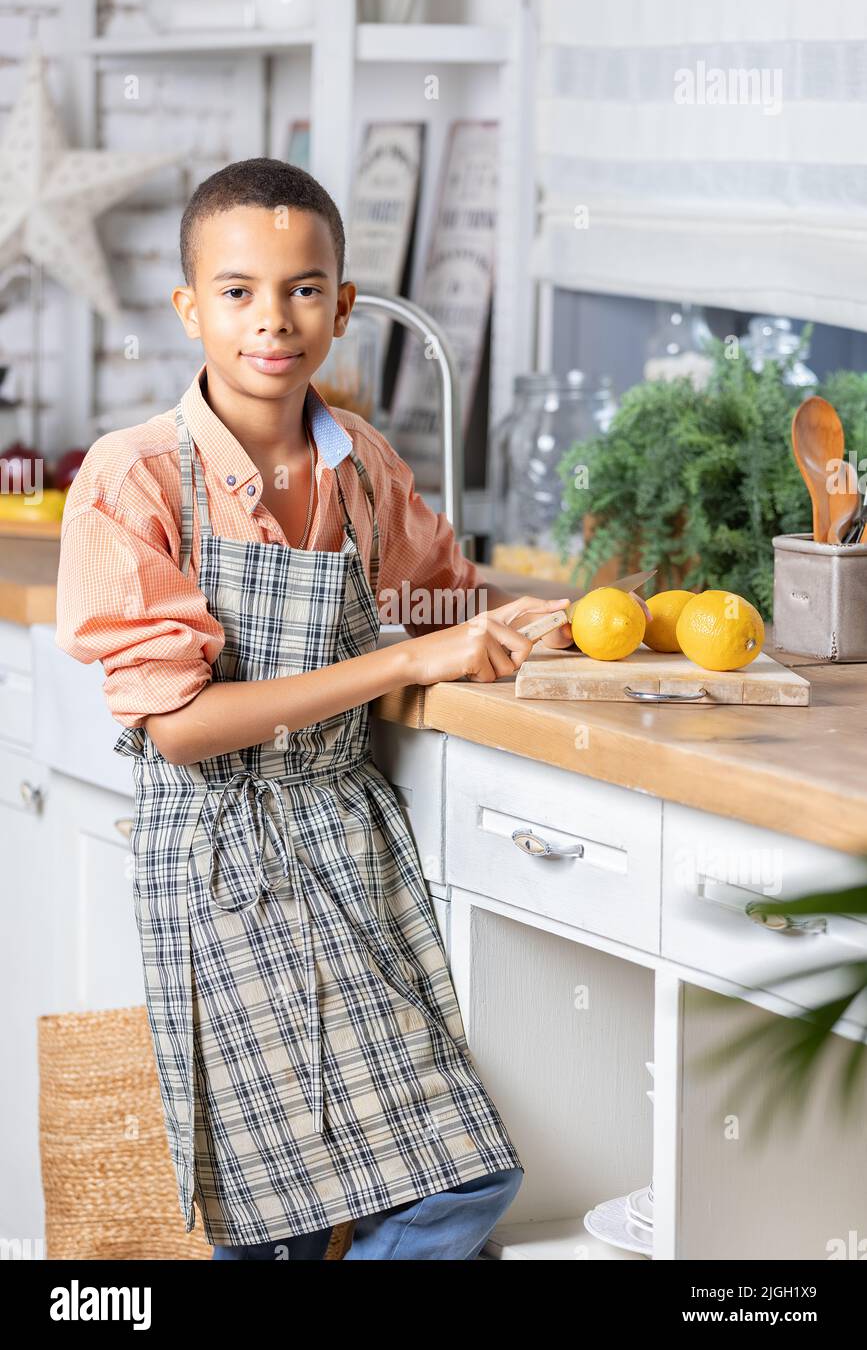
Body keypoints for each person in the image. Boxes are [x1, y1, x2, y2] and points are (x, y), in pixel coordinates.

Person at [55, 157, 581, 1260]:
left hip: (345, 840)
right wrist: (406, 663)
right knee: (272, 1219)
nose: (272, 320)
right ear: (189, 306)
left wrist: (540, 622)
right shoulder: (132, 478)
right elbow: (183, 722)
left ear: (342, 307)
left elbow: (445, 594)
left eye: (303, 289)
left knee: (457, 1175)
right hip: (215, 858)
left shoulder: (361, 469)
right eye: (238, 290)